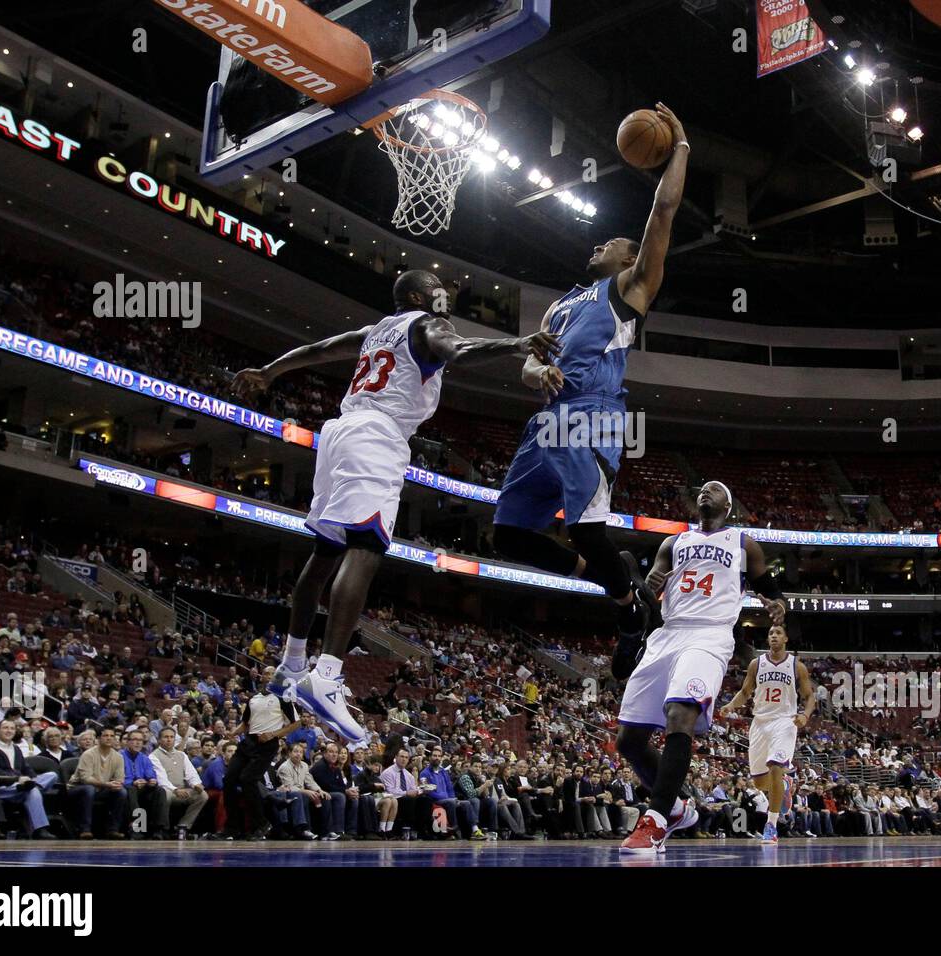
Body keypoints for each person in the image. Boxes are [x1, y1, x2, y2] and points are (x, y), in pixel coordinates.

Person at [233, 271, 559, 743]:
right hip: (377, 436)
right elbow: (462, 351)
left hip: (340, 431)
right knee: (366, 547)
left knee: (325, 551)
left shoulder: (376, 330)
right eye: (434, 287)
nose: (442, 292)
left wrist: (270, 371)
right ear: (415, 297)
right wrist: (518, 343)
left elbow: (319, 350)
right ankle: (326, 675)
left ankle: (292, 663)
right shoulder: (429, 325)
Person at [490, 105, 690, 677]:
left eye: (612, 241)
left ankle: (630, 615)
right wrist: (537, 374)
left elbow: (665, 210)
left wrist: (679, 150)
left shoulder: (631, 287)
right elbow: (530, 365)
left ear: (630, 258)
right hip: (547, 419)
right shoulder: (560, 303)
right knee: (507, 536)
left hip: (595, 415)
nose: (600, 243)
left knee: (583, 524)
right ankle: (607, 572)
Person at [616, 481, 787, 853]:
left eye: (713, 489)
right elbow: (649, 596)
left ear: (729, 504)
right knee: (628, 741)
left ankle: (656, 820)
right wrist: (651, 583)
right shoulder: (673, 542)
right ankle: (676, 808)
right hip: (668, 633)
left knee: (680, 714)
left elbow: (768, 587)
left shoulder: (743, 544)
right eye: (700, 491)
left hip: (710, 636)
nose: (704, 493)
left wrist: (777, 603)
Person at [720, 624, 814, 845]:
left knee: (775, 765)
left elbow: (809, 697)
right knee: (761, 784)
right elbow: (745, 692)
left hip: (784, 721)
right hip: (760, 722)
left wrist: (805, 715)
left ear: (786, 639)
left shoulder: (796, 666)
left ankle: (771, 826)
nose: (773, 636)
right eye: (770, 633)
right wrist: (731, 706)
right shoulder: (756, 664)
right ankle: (785, 786)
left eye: (778, 633)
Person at [223, 681, 302, 840]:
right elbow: (246, 723)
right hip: (248, 742)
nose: (268, 677)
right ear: (261, 677)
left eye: (272, 674)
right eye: (265, 674)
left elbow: (297, 723)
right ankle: (232, 828)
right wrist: (233, 733)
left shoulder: (282, 697)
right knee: (229, 779)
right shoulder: (253, 698)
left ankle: (261, 824)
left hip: (267, 743)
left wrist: (274, 734)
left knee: (247, 779)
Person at [0, 718, 58, 839]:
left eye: (12, 728)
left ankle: (31, 785)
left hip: (21, 787)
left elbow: (26, 768)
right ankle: (40, 830)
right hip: (1, 788)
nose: (9, 731)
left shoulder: (16, 748)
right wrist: (17, 779)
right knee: (32, 790)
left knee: (52, 775)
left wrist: (32, 778)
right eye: (5, 728)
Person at [149, 727, 208, 839]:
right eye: (166, 737)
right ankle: (163, 829)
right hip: (167, 790)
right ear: (159, 740)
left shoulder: (182, 755)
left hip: (183, 790)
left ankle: (183, 826)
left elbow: (191, 773)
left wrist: (196, 784)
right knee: (164, 794)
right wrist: (175, 790)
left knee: (202, 795)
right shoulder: (153, 756)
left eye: (171, 737)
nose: (169, 739)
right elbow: (161, 779)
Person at [69, 727, 127, 838]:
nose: (109, 738)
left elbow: (119, 779)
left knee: (121, 791)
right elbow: (85, 779)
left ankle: (113, 829)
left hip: (101, 789)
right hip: (77, 788)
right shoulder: (88, 754)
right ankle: (85, 829)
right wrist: (106, 784)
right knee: (89, 789)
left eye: (112, 736)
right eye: (106, 736)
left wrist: (116, 784)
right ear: (98, 739)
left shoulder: (118, 757)